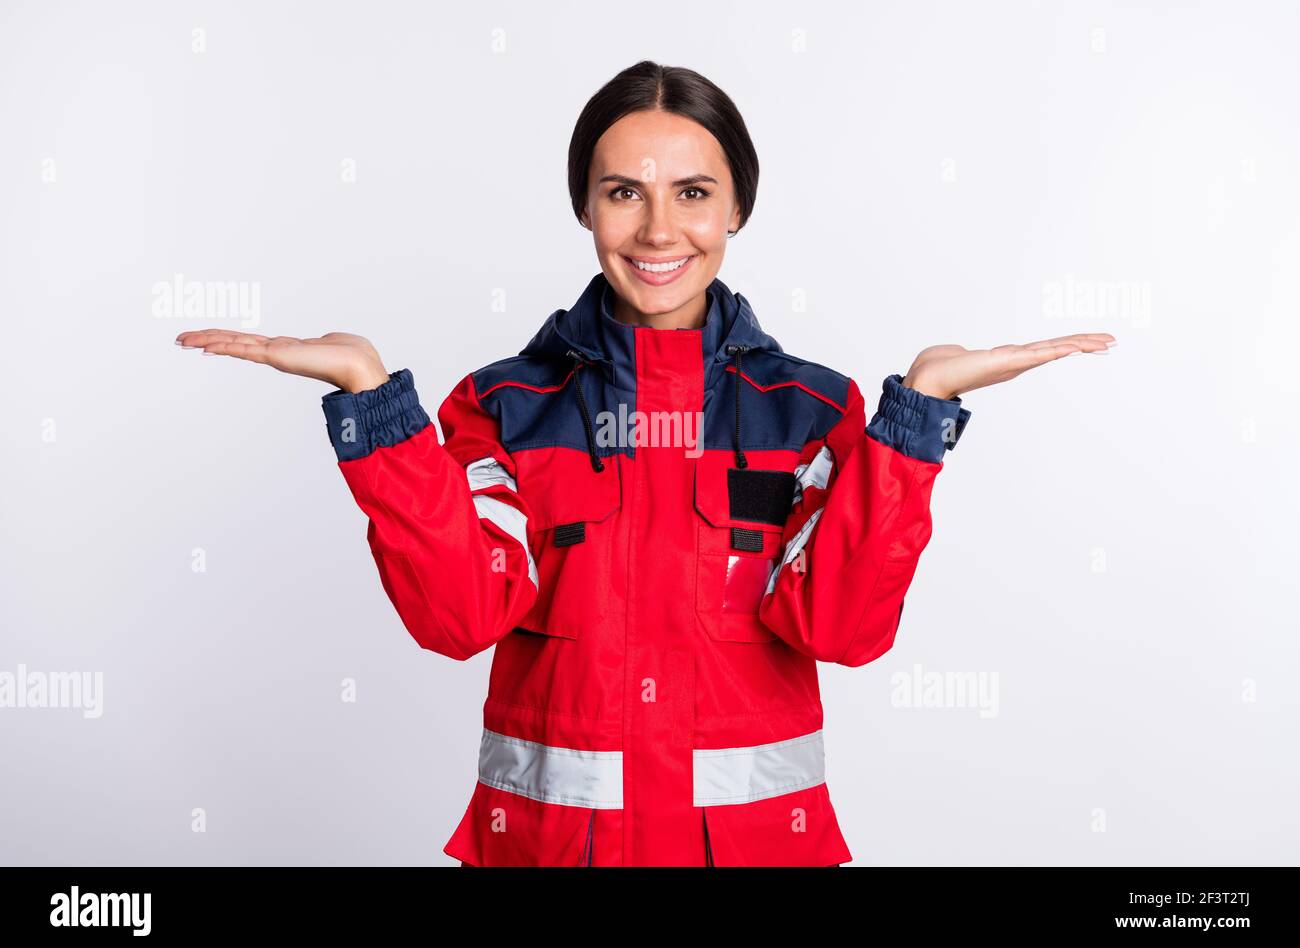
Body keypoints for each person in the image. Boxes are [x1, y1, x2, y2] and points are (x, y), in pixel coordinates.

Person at [175, 60, 1113, 866]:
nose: (659, 230)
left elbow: (841, 627)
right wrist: (374, 405)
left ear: (738, 205)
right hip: (550, 850)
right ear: (585, 204)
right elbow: (459, 617)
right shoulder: (505, 406)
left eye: (693, 193)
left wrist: (921, 417)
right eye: (625, 191)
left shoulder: (815, 410)